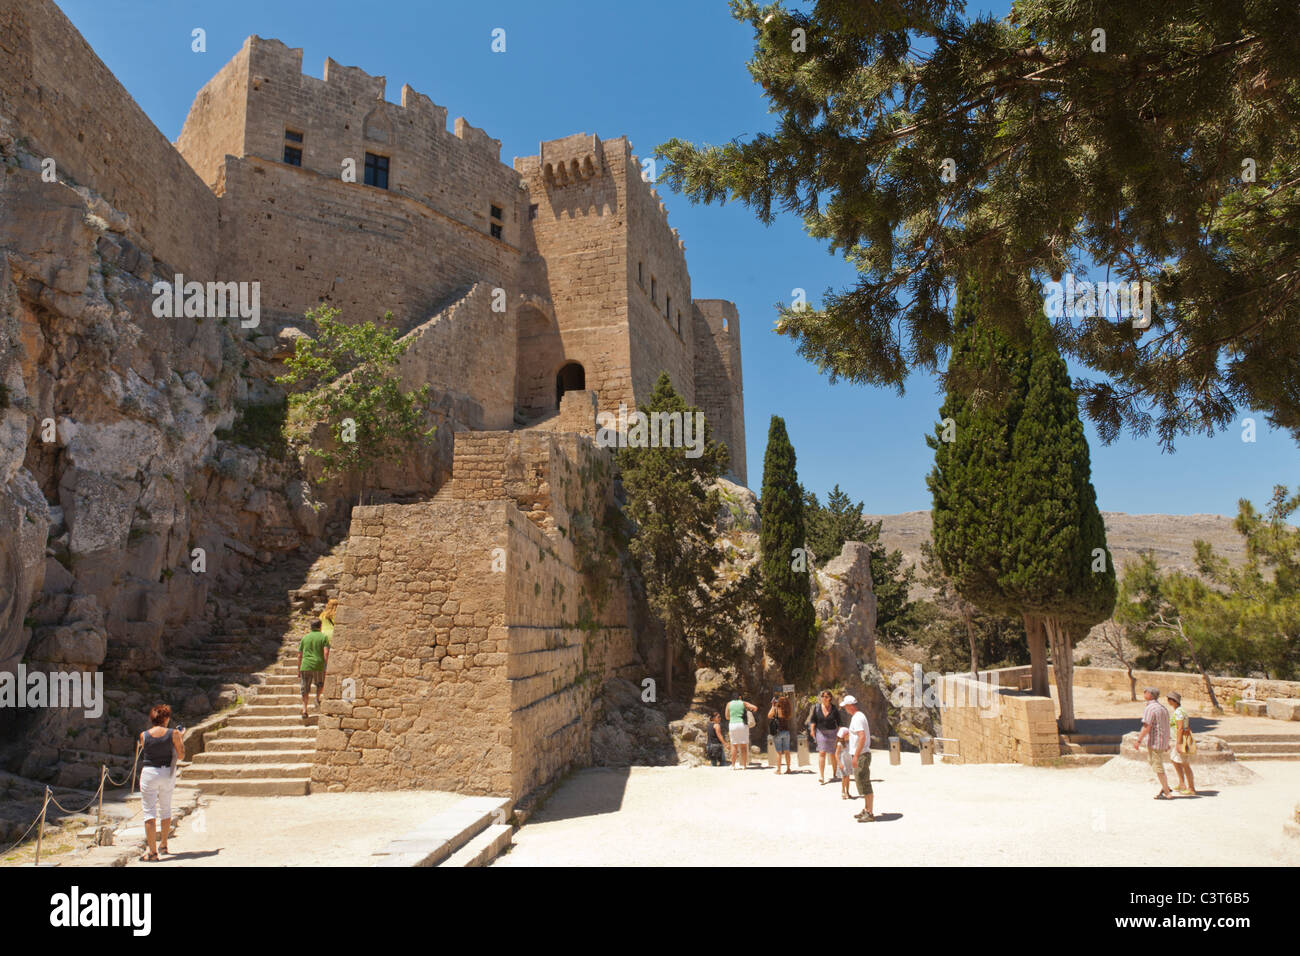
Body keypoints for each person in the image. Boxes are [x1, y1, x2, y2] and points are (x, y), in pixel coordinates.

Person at [137, 704, 184, 861]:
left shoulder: (143, 735)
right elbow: (182, 755)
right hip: (166, 773)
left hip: (149, 772)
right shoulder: (174, 733)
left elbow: (146, 750)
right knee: (165, 808)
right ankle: (164, 844)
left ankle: (152, 853)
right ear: (167, 718)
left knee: (149, 811)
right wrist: (181, 738)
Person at [1134, 686, 1174, 799]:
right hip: (1162, 741)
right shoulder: (1163, 708)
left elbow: (1147, 726)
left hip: (1155, 742)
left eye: (1145, 692)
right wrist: (1166, 741)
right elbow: (1166, 726)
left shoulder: (1150, 708)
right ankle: (1165, 786)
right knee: (1154, 762)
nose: (1144, 693)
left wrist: (1138, 740)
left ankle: (1167, 791)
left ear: (1150, 695)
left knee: (1157, 766)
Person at [843, 695, 875, 822]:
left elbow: (862, 737)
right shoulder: (859, 716)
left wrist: (855, 756)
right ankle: (866, 809)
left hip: (861, 755)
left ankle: (870, 812)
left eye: (845, 706)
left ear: (850, 706)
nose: (845, 708)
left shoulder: (857, 718)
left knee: (864, 783)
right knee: (862, 782)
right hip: (861, 754)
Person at [807, 690, 843, 784]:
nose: (824, 698)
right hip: (820, 732)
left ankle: (835, 773)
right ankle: (821, 776)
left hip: (832, 733)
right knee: (822, 752)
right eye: (822, 696)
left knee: (832, 754)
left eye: (826, 696)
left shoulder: (834, 709)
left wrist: (840, 734)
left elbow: (839, 722)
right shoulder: (817, 707)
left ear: (830, 698)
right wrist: (812, 730)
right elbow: (813, 720)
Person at [1168, 691, 1198, 795]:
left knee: (1185, 764)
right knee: (1175, 760)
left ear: (1173, 701)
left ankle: (1191, 788)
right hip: (1179, 739)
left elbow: (1180, 728)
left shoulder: (1178, 712)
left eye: (1169, 699)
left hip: (1180, 740)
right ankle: (1181, 784)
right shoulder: (1181, 710)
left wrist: (1179, 743)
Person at [298, 626, 330, 718]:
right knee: (320, 684)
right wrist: (326, 665)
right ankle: (317, 698)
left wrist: (298, 669)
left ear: (311, 627)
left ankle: (304, 710)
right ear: (320, 626)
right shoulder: (323, 637)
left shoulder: (305, 637)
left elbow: (299, 655)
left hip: (305, 665)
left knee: (305, 688)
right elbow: (326, 653)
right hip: (318, 665)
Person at [726, 695, 757, 770]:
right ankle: (744, 765)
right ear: (739, 697)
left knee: (734, 745)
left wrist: (734, 716)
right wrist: (748, 710)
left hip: (733, 724)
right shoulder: (743, 703)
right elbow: (755, 708)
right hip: (742, 724)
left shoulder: (729, 704)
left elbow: (727, 717)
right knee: (743, 746)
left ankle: (733, 765)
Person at [768, 692, 794, 774]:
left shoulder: (776, 709)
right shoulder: (787, 711)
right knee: (787, 751)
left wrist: (773, 705)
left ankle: (778, 770)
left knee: (778, 752)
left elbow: (769, 715)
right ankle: (788, 769)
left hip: (778, 732)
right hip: (786, 732)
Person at [835, 727, 855, 800]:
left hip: (848, 762)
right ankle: (843, 791)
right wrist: (839, 763)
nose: (849, 735)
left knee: (848, 777)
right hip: (843, 762)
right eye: (847, 734)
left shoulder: (850, 743)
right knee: (844, 777)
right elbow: (836, 754)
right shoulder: (840, 744)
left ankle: (847, 792)